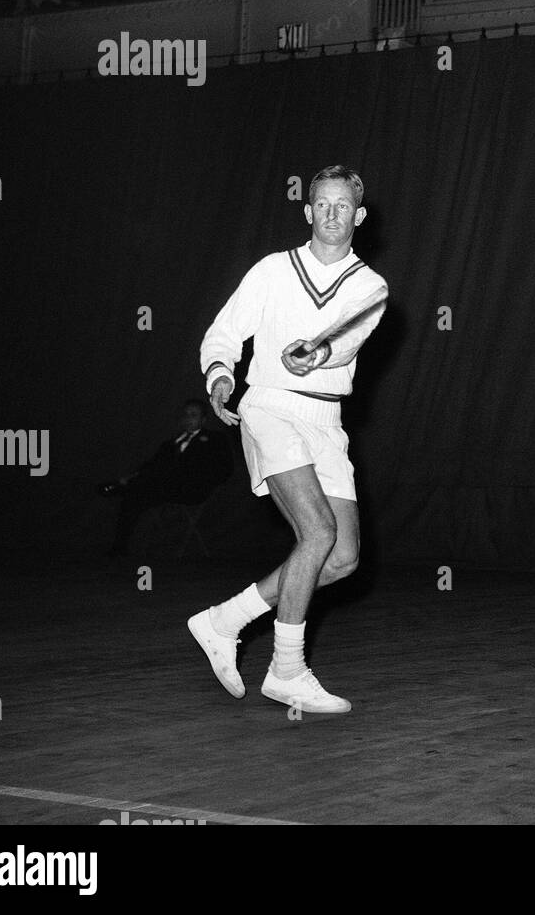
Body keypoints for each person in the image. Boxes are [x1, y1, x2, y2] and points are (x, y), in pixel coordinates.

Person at [189, 166, 388, 714]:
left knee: (342, 557)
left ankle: (223, 620)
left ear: (359, 216)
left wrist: (317, 353)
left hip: (326, 422)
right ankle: (287, 669)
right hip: (270, 407)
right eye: (321, 204)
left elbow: (344, 343)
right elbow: (223, 334)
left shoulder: (371, 287)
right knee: (317, 530)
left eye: (342, 206)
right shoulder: (272, 271)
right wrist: (221, 375)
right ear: (307, 211)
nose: (331, 214)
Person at [99, 398, 232, 555]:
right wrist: (130, 476)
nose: (188, 419)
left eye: (194, 415)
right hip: (163, 487)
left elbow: (223, 468)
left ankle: (124, 487)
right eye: (186, 415)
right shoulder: (171, 443)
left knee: (141, 488)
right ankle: (119, 547)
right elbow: (152, 465)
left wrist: (203, 480)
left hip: (191, 488)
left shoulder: (214, 440)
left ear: (203, 419)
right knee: (133, 497)